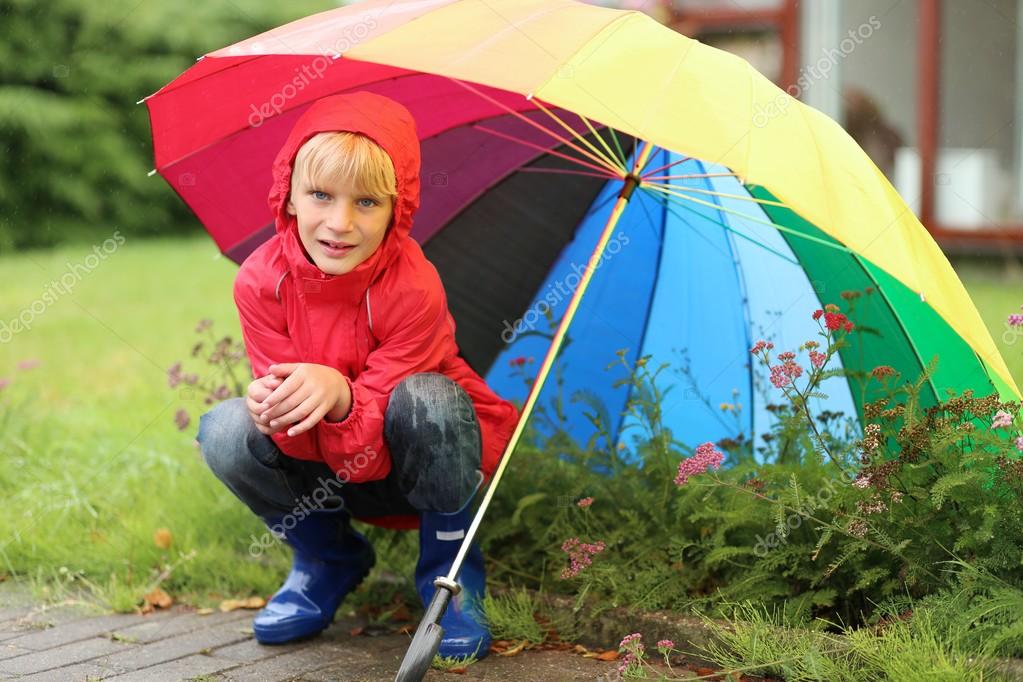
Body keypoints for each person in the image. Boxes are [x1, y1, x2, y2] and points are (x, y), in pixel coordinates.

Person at [194, 91, 519, 662]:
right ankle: (327, 559)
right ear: (287, 195)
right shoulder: (259, 282)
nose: (340, 223)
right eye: (321, 195)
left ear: (398, 209)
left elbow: (384, 432)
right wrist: (274, 405)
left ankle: (449, 573)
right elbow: (289, 431)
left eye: (367, 202)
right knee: (226, 428)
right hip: (319, 468)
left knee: (431, 397)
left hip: (409, 460)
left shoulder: (414, 287)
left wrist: (342, 395)